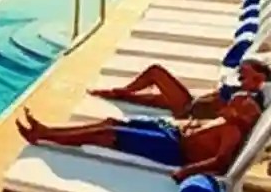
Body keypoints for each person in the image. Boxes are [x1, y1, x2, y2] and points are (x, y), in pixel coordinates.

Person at [16, 97, 262, 183]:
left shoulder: (234, 131)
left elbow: (221, 161)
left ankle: (44, 135)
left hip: (172, 148)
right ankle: (47, 130)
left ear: (246, 113)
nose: (237, 100)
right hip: (172, 132)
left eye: (242, 102)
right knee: (109, 123)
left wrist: (186, 171)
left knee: (108, 136)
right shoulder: (228, 120)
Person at [90, 60, 270, 119]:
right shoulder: (246, 91)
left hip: (189, 111)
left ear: (258, 79)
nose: (239, 78)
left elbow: (225, 115)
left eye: (243, 75)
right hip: (192, 103)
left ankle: (123, 91)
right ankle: (120, 94)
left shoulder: (245, 100)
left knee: (156, 72)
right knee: (151, 99)